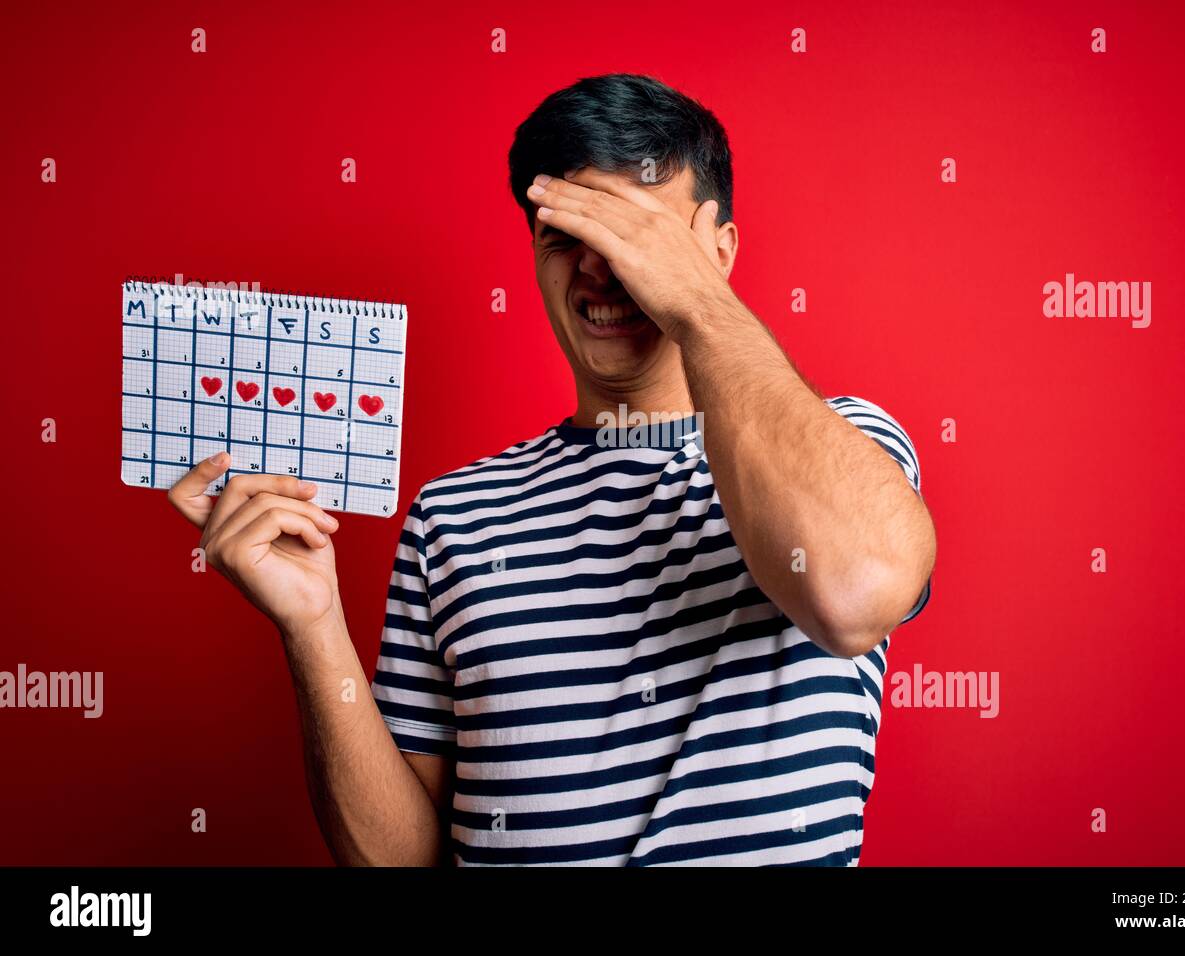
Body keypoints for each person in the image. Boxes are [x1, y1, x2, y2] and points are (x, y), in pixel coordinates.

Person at [167, 73, 936, 866]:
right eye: (565, 234)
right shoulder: (451, 518)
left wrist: (696, 300)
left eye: (633, 231)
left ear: (719, 250)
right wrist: (312, 623)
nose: (599, 269)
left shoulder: (847, 450)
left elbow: (853, 595)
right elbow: (400, 862)